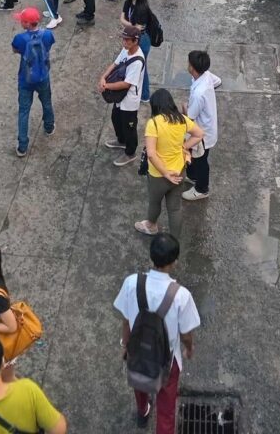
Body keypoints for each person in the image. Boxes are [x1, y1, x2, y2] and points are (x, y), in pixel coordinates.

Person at [114, 234, 200, 434]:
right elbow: (186, 333)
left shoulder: (131, 283)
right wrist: (189, 348)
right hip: (167, 361)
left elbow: (126, 320)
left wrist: (125, 345)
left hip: (138, 351)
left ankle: (142, 412)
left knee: (140, 381)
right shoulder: (181, 295)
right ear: (174, 262)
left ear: (151, 256)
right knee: (166, 409)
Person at [134, 88, 204, 238]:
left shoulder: (154, 124)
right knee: (175, 209)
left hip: (159, 175)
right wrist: (184, 147)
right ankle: (174, 242)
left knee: (154, 202)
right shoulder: (182, 119)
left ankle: (151, 226)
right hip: (179, 171)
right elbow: (199, 134)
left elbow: (151, 154)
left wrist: (166, 173)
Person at [12, 7, 56, 157]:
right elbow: (50, 45)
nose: (20, 23)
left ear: (27, 24)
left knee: (24, 110)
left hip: (26, 79)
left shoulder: (20, 38)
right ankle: (49, 126)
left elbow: (15, 50)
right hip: (43, 76)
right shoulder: (47, 34)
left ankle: (22, 146)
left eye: (21, 21)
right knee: (47, 102)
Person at [100, 25, 146, 166]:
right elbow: (115, 64)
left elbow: (127, 84)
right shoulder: (126, 50)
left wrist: (106, 86)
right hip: (120, 97)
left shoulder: (138, 61)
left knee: (129, 127)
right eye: (123, 39)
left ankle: (130, 152)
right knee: (116, 118)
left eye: (127, 40)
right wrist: (103, 77)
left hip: (130, 99)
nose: (124, 42)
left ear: (135, 41)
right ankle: (121, 140)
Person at [182, 51, 219, 202]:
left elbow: (189, 118)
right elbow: (218, 82)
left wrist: (184, 107)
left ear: (192, 67)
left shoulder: (198, 94)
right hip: (206, 125)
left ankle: (201, 189)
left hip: (202, 132)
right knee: (194, 155)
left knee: (201, 160)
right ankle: (192, 176)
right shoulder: (207, 76)